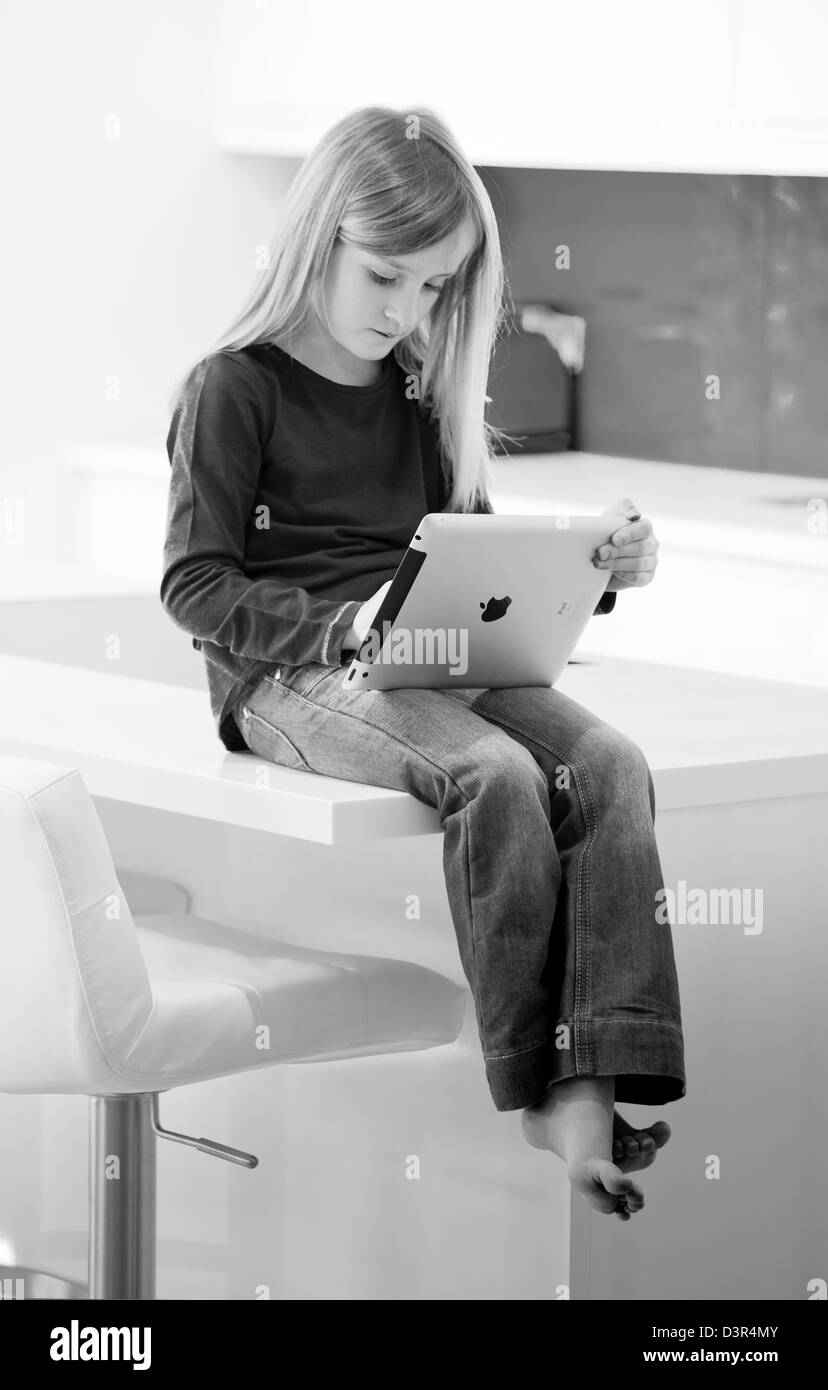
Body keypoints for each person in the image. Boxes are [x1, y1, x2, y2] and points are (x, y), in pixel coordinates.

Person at [162, 105, 685, 1223]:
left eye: (437, 288)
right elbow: (192, 588)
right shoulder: (235, 386)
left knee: (611, 765)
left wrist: (595, 567)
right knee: (492, 776)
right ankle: (533, 1079)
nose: (408, 311)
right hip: (287, 676)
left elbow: (471, 552)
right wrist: (341, 628)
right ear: (318, 236)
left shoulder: (415, 387)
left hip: (423, 651)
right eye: (387, 276)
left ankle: (588, 1077)